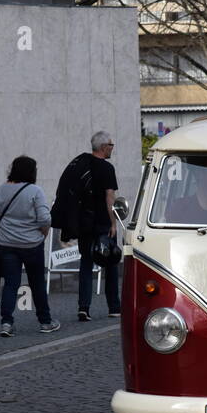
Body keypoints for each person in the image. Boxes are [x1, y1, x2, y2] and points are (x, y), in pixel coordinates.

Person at [0, 155, 60, 337]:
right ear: (31, 172)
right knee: (37, 283)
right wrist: (42, 235)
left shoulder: (1, 190)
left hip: (6, 244)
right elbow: (45, 218)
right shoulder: (35, 191)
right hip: (31, 245)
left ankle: (6, 323)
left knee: (11, 284)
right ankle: (45, 322)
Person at [55, 131, 120, 322]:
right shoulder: (107, 168)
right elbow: (110, 197)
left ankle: (83, 308)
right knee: (111, 263)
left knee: (86, 263)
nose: (112, 148)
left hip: (84, 223)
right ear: (103, 147)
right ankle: (114, 307)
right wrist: (113, 222)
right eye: (111, 145)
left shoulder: (80, 164)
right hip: (102, 224)